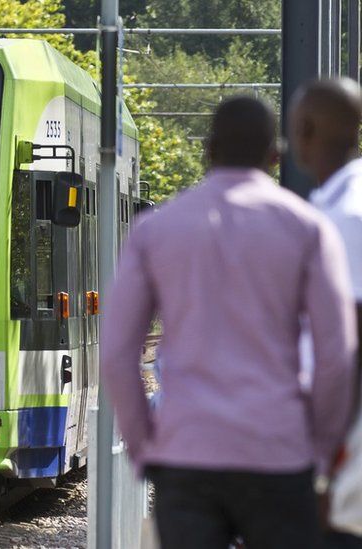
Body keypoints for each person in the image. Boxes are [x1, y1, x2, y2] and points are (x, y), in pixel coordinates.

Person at [101, 96, 358, 549]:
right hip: (279, 455)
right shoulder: (308, 229)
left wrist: (145, 447)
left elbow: (119, 354)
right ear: (274, 156)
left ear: (208, 149)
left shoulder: (155, 230)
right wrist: (319, 451)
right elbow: (336, 356)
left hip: (185, 456)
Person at [290, 78, 362, 548]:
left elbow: (348, 347)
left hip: (348, 458)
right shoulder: (338, 204)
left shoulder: (347, 217)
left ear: (308, 129)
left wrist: (324, 469)